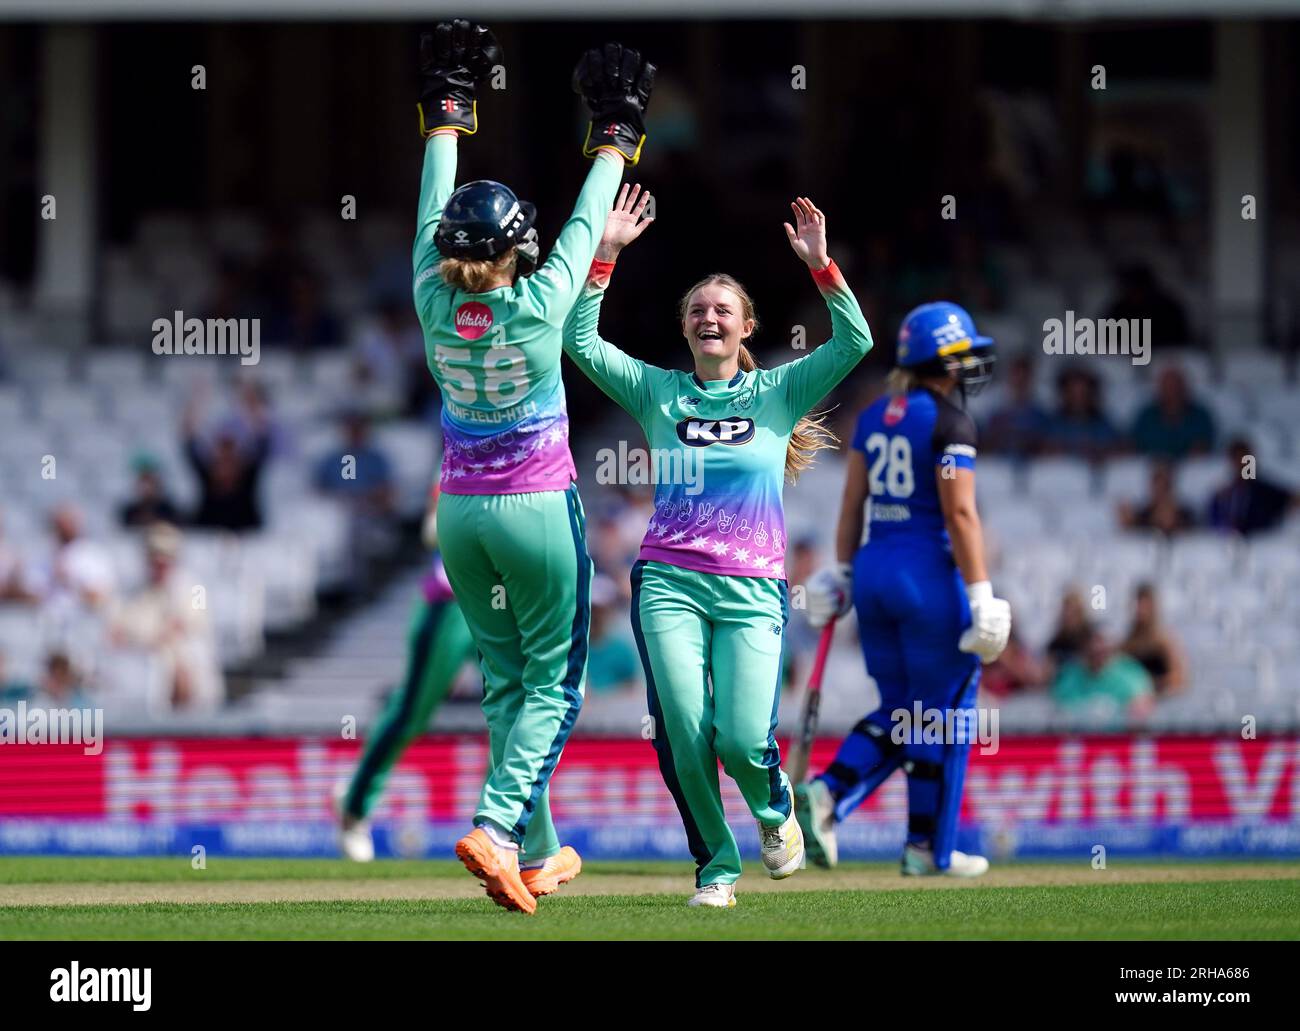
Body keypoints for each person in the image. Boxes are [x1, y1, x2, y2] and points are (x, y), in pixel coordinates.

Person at [563, 187, 872, 907]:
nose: (709, 316)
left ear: (745, 327)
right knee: (681, 726)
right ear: (685, 325)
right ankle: (716, 866)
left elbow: (855, 341)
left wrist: (823, 269)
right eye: (698, 309)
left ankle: (775, 809)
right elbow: (579, 343)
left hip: (752, 588)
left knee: (738, 737)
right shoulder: (657, 392)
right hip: (668, 579)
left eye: (722, 309)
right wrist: (604, 256)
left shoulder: (778, 392)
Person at [412, 21, 652, 914]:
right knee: (557, 680)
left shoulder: (429, 295)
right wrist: (616, 131)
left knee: (507, 681)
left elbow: (434, 197)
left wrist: (446, 110)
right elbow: (591, 218)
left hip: (461, 517)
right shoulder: (544, 302)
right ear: (517, 248)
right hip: (537, 508)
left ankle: (535, 851)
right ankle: (499, 823)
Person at [798, 300, 1011, 877]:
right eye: (961, 354)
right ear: (940, 360)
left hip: (874, 572)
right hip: (926, 579)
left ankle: (831, 796)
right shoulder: (950, 422)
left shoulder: (872, 417)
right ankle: (924, 849)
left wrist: (842, 571)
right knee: (939, 717)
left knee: (905, 711)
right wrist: (982, 593)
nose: (970, 365)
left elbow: (851, 506)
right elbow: (960, 514)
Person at [1052, 625, 1155, 724]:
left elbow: (1143, 705)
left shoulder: (1130, 673)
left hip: (1118, 738)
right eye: (1092, 642)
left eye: (1101, 641)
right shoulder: (1070, 674)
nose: (1096, 647)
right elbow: (1059, 709)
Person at [1206, 437, 1295, 536]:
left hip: (1263, 542)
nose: (1241, 465)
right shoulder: (1222, 496)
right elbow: (1215, 523)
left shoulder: (1266, 492)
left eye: (1245, 460)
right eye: (1237, 460)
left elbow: (1289, 500)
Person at [1129, 366, 1215, 461]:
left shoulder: (1200, 416)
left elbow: (1204, 446)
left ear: (1184, 388)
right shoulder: (1146, 416)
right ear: (1160, 389)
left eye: (1175, 387)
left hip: (1192, 470)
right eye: (1167, 387)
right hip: (1155, 470)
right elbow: (1135, 445)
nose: (1172, 392)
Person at [1119, 582, 1187, 697]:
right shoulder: (1128, 642)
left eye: (1145, 605)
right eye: (1138, 604)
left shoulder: (1163, 641)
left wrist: (1150, 684)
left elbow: (1179, 679)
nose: (1140, 610)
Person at [1117, 461, 1196, 536]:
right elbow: (1133, 535)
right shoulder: (1143, 515)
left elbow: (1192, 536)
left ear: (1171, 487)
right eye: (1157, 488)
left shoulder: (1185, 515)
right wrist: (1127, 523)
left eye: (1164, 487)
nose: (1160, 492)